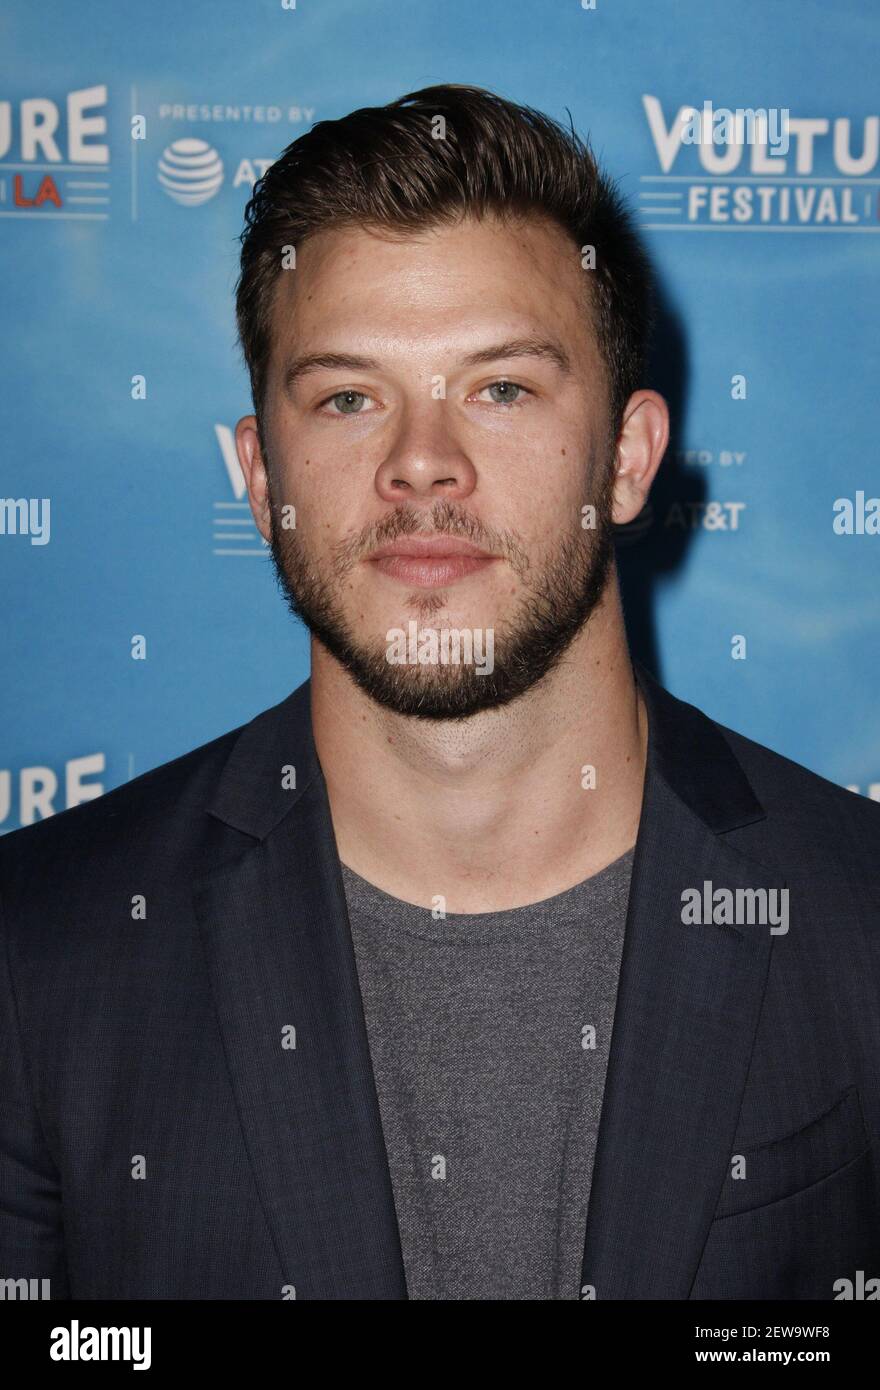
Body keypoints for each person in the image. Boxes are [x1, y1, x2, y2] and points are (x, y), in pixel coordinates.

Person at [1, 85, 877, 1301]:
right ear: (260, 476)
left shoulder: (858, 918)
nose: (421, 460)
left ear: (625, 459)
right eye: (349, 397)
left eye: (502, 388)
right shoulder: (39, 954)